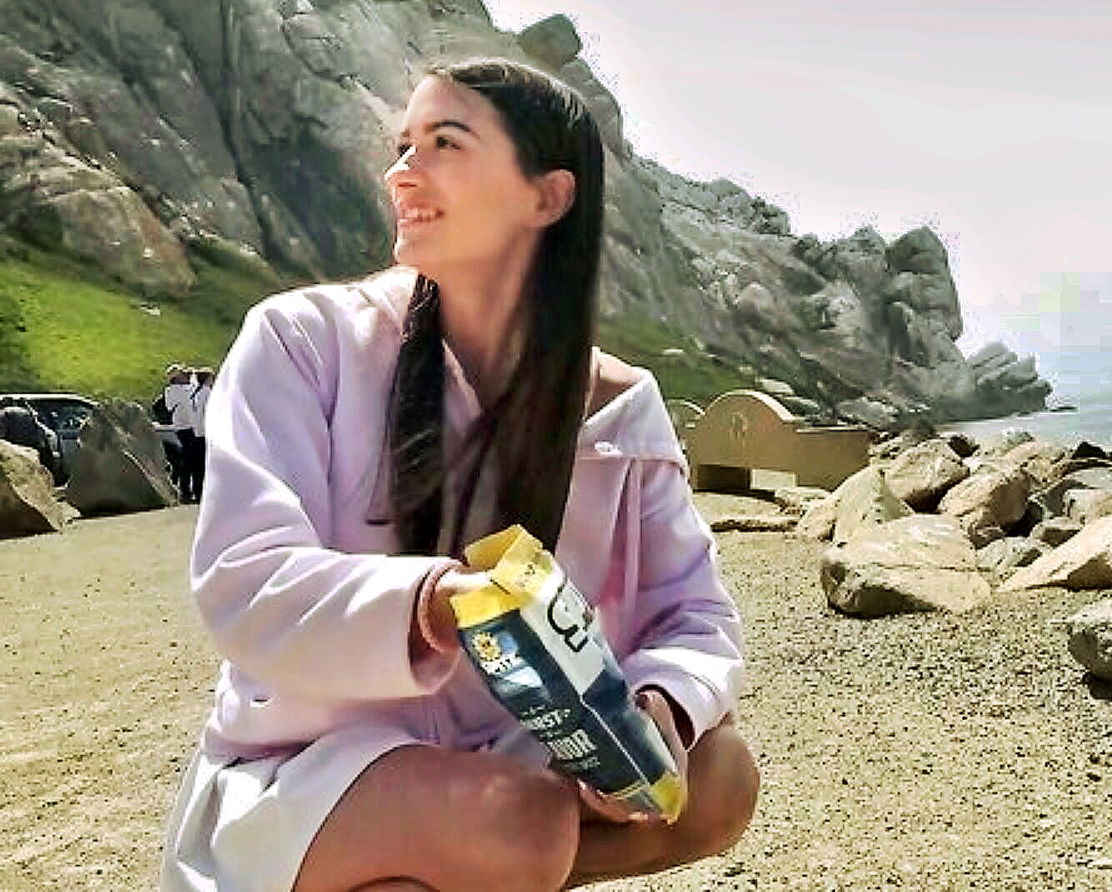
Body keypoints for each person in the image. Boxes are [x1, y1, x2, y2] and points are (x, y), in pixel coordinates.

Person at [160, 58, 756, 892]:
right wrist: (436, 607)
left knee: (718, 777)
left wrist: (652, 709)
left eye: (444, 142)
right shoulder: (302, 340)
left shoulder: (620, 405)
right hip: (312, 763)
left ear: (546, 197)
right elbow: (244, 580)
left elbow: (694, 615)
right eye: (404, 145)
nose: (402, 170)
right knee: (521, 824)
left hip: (502, 758)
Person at [161, 364, 201, 503]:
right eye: (183, 375)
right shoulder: (175, 390)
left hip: (187, 426)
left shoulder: (178, 390)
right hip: (185, 427)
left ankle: (188, 489)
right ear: (177, 378)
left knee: (190, 459)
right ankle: (186, 490)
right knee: (190, 459)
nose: (186, 376)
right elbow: (193, 392)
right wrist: (194, 377)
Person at [190, 367, 213, 500]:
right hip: (205, 432)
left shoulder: (195, 393)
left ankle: (198, 491)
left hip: (197, 431)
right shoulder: (207, 393)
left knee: (198, 464)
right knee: (205, 463)